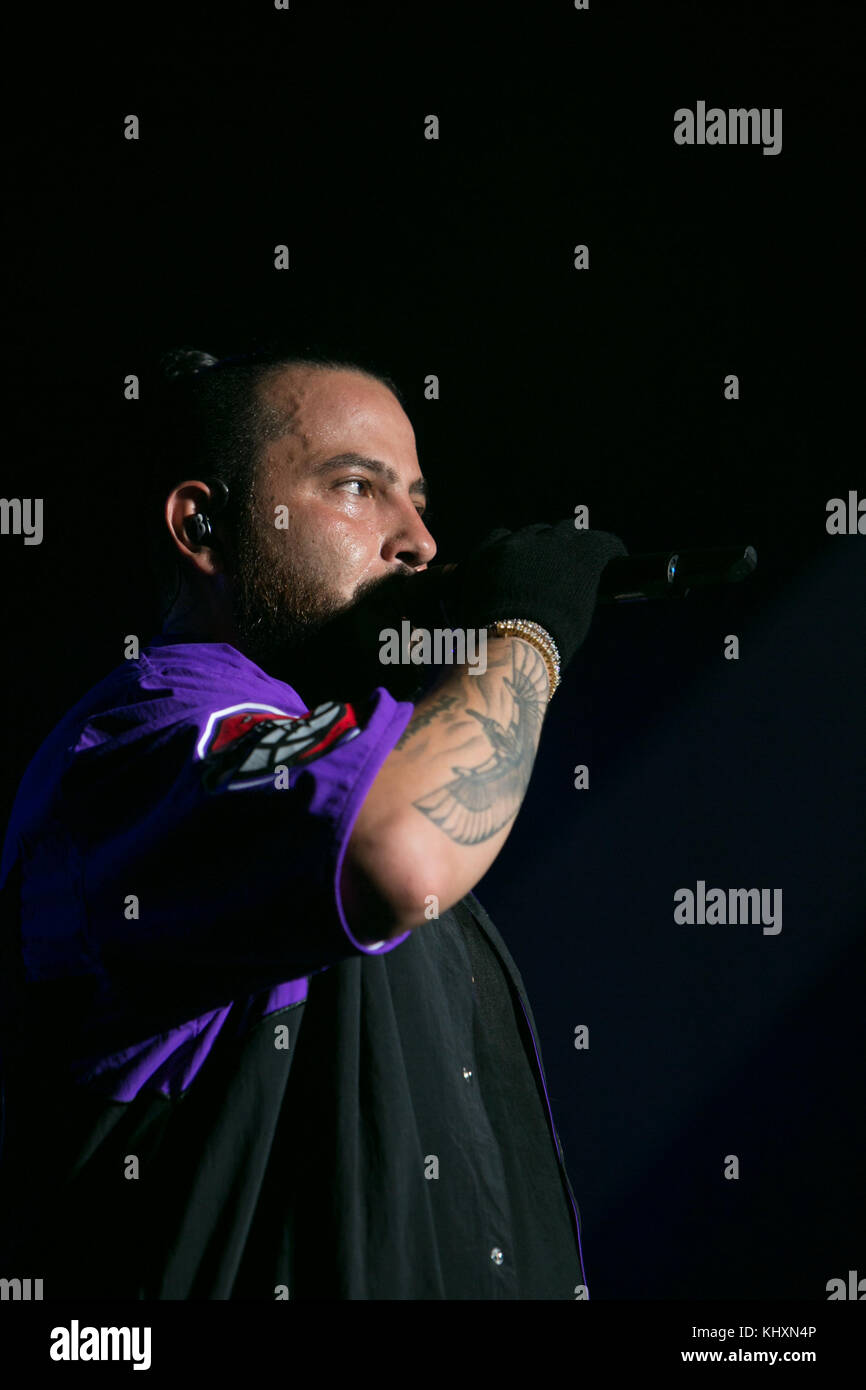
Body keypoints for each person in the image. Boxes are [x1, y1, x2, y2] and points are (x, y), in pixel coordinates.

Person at [0, 345, 626, 1300]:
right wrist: (527, 632)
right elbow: (401, 850)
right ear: (201, 526)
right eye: (356, 487)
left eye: (418, 497)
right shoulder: (151, 739)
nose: (418, 539)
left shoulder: (345, 760)